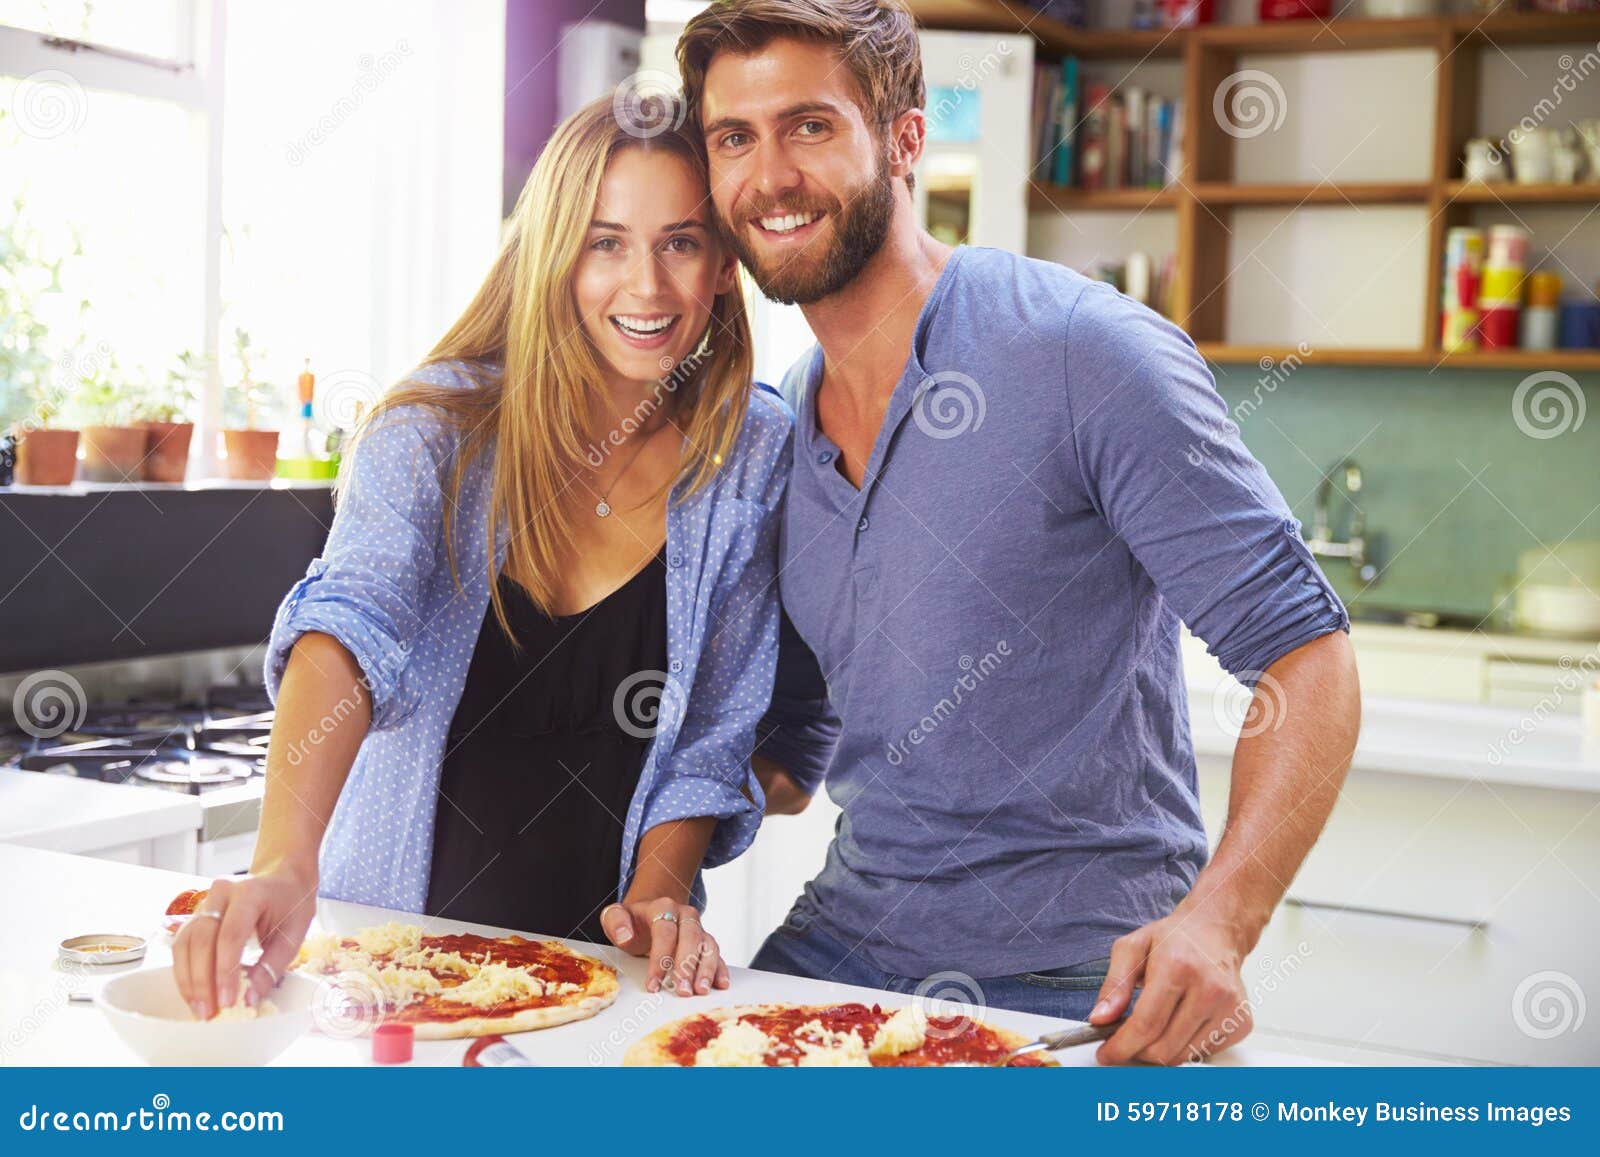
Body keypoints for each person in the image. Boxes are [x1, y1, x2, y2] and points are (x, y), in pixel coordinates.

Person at [677, 0, 1361, 1065]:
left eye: (809, 125)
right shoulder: (781, 428)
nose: (769, 175)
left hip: (1075, 975)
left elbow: (1308, 654)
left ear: (904, 140)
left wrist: (1220, 923)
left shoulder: (1081, 352)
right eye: (734, 138)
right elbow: (795, 748)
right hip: (839, 948)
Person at [172, 95, 835, 1020]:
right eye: (605, 242)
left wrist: (659, 896)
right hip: (388, 969)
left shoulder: (752, 455)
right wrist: (286, 860)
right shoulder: (433, 430)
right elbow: (350, 624)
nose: (645, 285)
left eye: (680, 242)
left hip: (607, 990)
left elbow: (711, 737)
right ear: (554, 254)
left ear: (725, 262)